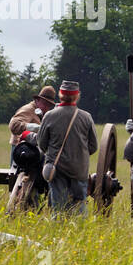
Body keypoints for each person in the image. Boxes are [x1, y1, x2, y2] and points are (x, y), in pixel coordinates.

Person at [35, 80, 97, 215]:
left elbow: (42, 144)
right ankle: (79, 231)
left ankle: (58, 233)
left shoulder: (50, 116)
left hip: (57, 169)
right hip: (79, 169)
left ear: (60, 94)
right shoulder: (86, 117)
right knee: (80, 205)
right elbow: (93, 146)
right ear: (77, 96)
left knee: (58, 208)